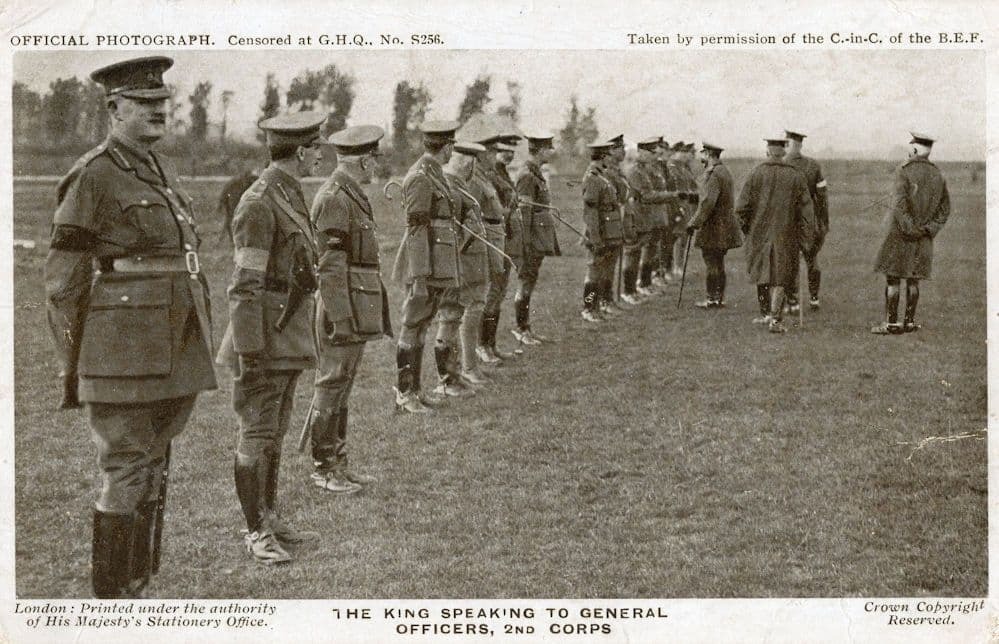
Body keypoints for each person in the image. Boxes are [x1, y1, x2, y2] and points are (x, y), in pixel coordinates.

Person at [44, 56, 217, 597]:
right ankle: (112, 597)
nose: (158, 110)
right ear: (114, 108)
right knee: (126, 465)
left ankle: (137, 584)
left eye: (161, 101)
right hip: (122, 348)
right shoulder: (94, 174)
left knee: (154, 459)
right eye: (144, 103)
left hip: (174, 340)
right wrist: (74, 363)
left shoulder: (158, 166)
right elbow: (63, 282)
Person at [216, 111, 326, 564]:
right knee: (257, 431)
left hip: (287, 330)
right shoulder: (260, 202)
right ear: (300, 151)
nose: (320, 154)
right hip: (265, 335)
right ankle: (255, 530)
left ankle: (270, 516)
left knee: (276, 430)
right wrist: (250, 351)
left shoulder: (288, 192)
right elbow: (245, 285)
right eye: (316, 147)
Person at [302, 125, 392, 495]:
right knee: (331, 384)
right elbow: (330, 266)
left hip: (356, 303)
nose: (377, 166)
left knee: (342, 384)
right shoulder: (335, 197)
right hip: (342, 307)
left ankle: (338, 462)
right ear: (364, 161)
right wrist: (339, 317)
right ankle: (324, 468)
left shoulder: (349, 194)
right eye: (375, 159)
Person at [390, 121, 462, 412]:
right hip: (424, 265)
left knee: (421, 326)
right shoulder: (420, 177)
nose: (452, 151)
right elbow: (417, 229)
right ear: (446, 147)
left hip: (436, 264)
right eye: (451, 146)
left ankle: (415, 391)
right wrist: (419, 276)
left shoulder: (433, 173)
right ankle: (405, 394)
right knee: (412, 326)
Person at [871, 132, 951, 334]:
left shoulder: (904, 170)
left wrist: (910, 229)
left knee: (893, 277)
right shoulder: (938, 174)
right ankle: (909, 322)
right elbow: (944, 210)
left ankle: (891, 324)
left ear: (915, 149)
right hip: (924, 237)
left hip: (900, 235)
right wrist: (928, 229)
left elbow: (899, 206)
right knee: (914, 279)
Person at [735, 137, 817, 334]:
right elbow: (807, 213)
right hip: (786, 235)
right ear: (784, 152)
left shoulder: (755, 173)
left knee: (762, 271)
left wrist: (748, 230)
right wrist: (806, 240)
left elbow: (740, 209)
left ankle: (766, 314)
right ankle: (774, 318)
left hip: (758, 234)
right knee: (781, 274)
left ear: (768, 151)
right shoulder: (796, 175)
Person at [513, 132, 560, 345]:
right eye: (549, 148)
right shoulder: (527, 175)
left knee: (529, 281)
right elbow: (524, 212)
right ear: (540, 150)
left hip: (537, 238)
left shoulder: (535, 173)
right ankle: (521, 329)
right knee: (525, 282)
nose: (552, 151)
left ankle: (526, 328)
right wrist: (525, 243)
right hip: (530, 239)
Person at [480, 137, 523, 362]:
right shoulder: (488, 176)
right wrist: (506, 211)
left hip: (506, 236)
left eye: (511, 151)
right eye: (503, 150)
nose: (508, 154)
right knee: (493, 291)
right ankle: (482, 345)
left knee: (500, 291)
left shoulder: (502, 173)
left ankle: (491, 344)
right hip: (495, 236)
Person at [686, 142, 742, 308]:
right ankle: (719, 298)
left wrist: (694, 223)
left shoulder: (713, 174)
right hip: (724, 225)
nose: (700, 156)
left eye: (703, 153)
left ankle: (712, 299)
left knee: (711, 261)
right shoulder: (724, 171)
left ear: (709, 154)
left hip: (714, 226)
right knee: (718, 262)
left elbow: (708, 202)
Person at [783, 130, 829, 311]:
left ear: (788, 144)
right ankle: (814, 297)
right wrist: (823, 222)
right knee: (812, 259)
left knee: (789, 261)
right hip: (810, 221)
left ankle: (792, 300)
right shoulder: (813, 165)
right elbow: (822, 197)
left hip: (789, 222)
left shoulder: (783, 165)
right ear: (800, 145)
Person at [627, 137, 677, 300]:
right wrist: (672, 195)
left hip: (650, 214)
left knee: (649, 250)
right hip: (640, 215)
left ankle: (644, 283)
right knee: (636, 252)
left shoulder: (646, 170)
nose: (654, 156)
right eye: (651, 152)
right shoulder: (636, 171)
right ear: (641, 152)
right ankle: (633, 288)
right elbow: (647, 195)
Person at [580, 142, 622, 322]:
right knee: (594, 272)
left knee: (601, 271)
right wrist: (596, 239)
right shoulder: (592, 178)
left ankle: (596, 306)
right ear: (603, 157)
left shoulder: (601, 176)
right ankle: (588, 307)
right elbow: (591, 212)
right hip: (598, 232)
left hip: (608, 230)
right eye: (609, 155)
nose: (611, 159)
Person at [600, 134, 630, 314]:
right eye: (621, 148)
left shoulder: (617, 171)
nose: (624, 151)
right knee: (605, 264)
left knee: (611, 263)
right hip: (608, 222)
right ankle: (603, 300)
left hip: (617, 220)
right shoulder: (608, 172)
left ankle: (608, 299)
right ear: (611, 150)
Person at [217, 164, 260, 244]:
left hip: (237, 201)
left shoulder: (247, 181)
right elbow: (226, 192)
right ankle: (233, 239)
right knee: (233, 219)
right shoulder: (237, 183)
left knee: (232, 219)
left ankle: (229, 239)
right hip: (235, 201)